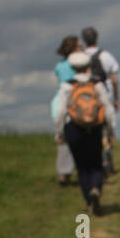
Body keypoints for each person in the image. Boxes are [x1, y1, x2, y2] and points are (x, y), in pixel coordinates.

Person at [53, 49, 116, 214]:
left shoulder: (67, 86)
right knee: (96, 164)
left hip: (74, 127)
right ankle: (96, 189)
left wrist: (59, 132)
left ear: (73, 67)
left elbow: (60, 112)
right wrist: (110, 130)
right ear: (88, 66)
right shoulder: (97, 84)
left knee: (82, 167)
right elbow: (108, 109)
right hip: (94, 128)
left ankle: (89, 199)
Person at [81, 27, 119, 175]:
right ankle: (107, 156)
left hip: (85, 97)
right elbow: (114, 79)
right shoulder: (106, 56)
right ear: (97, 38)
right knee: (107, 127)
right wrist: (116, 98)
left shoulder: (80, 56)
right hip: (104, 95)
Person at [52, 35, 81, 184]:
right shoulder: (77, 65)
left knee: (62, 140)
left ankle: (64, 173)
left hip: (59, 101)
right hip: (75, 100)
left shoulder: (59, 66)